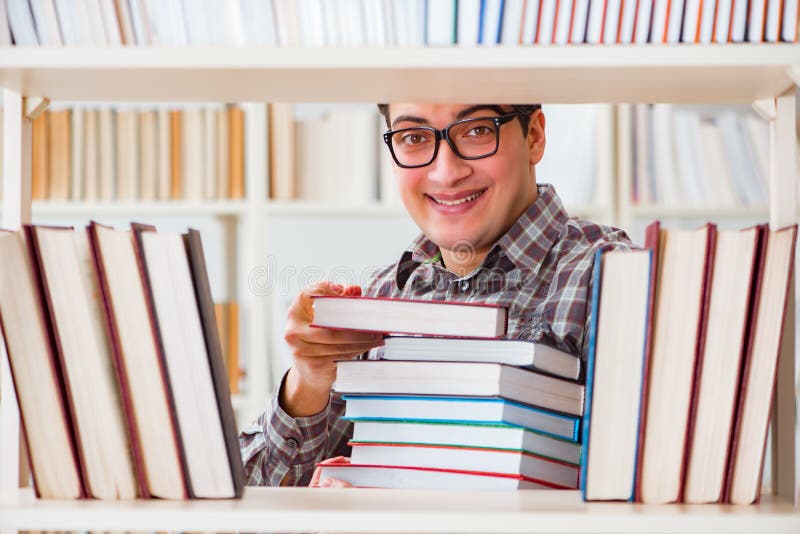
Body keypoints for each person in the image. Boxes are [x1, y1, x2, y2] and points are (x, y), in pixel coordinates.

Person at [239, 103, 632, 487]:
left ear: (534, 136)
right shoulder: (382, 296)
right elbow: (253, 501)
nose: (446, 173)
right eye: (413, 137)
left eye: (478, 130)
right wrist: (308, 382)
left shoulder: (613, 277)